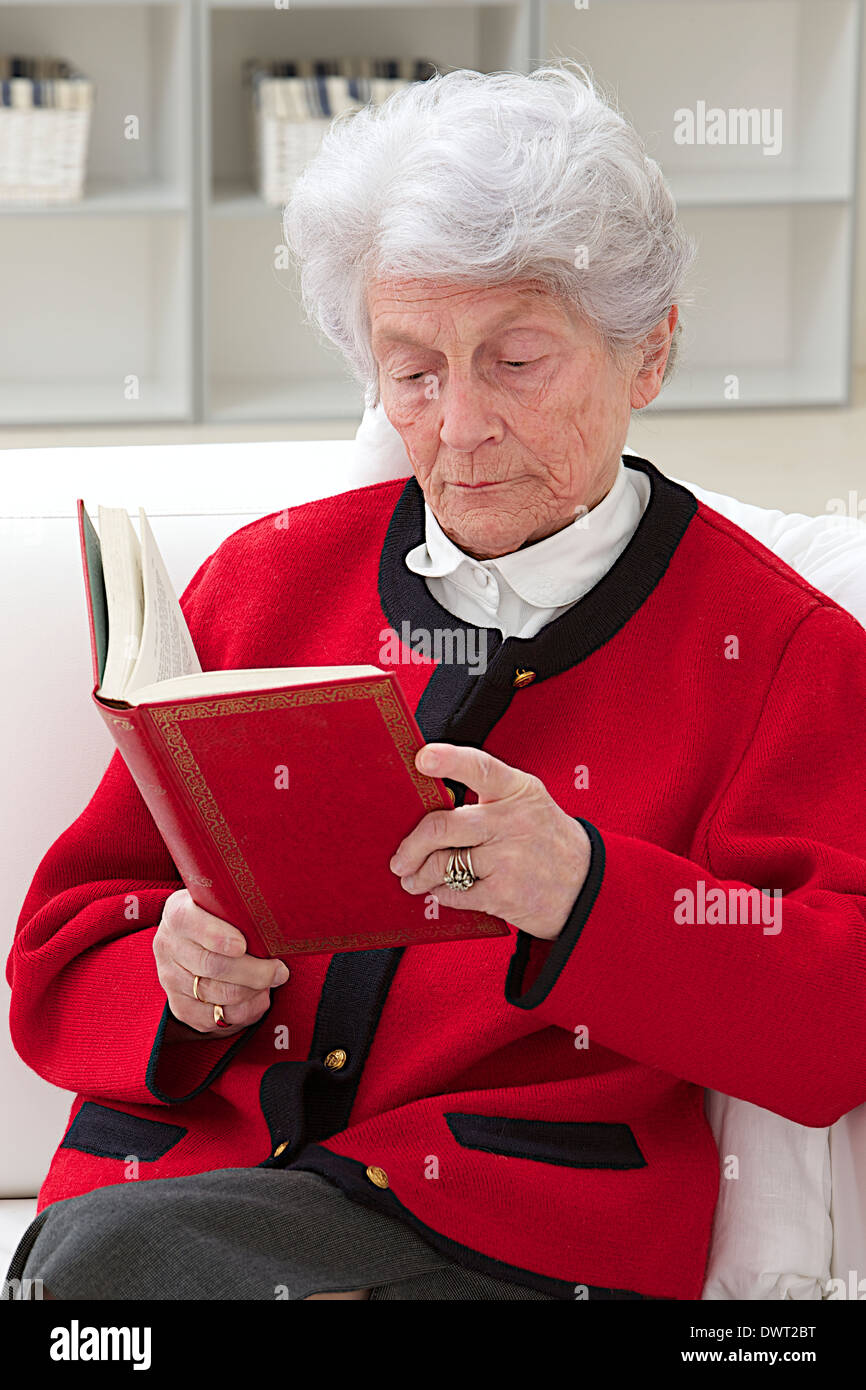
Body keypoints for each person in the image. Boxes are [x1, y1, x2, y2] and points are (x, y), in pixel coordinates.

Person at [5, 62, 866, 1302]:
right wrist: (175, 979)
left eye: (514, 361)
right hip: (181, 1203)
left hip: (507, 1221)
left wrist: (584, 894)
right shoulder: (265, 580)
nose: (457, 426)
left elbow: (834, 1018)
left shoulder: (778, 649)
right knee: (122, 1272)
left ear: (648, 352)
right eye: (412, 371)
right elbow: (59, 951)